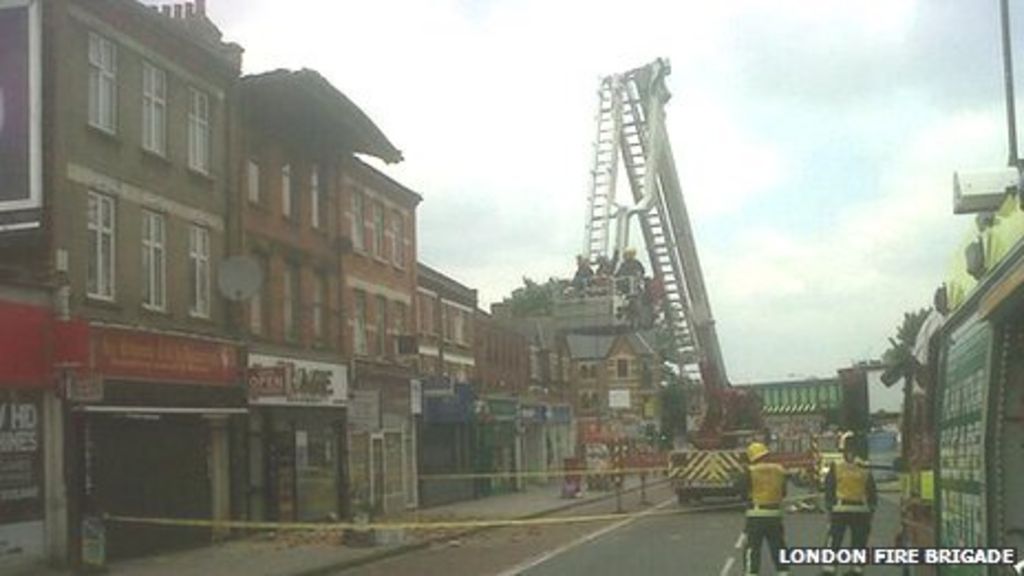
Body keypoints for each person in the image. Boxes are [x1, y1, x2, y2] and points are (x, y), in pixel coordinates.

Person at [821, 432, 877, 576]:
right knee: (858, 542)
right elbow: (871, 491)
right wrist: (871, 510)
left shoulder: (837, 465)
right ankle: (856, 570)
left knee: (834, 540)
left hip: (840, 509)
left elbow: (829, 487)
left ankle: (829, 569)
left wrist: (829, 506)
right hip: (860, 510)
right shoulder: (864, 466)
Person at [737, 442, 791, 576]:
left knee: (752, 548)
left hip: (756, 516)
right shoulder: (779, 470)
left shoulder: (750, 471)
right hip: (775, 515)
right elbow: (783, 492)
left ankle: (751, 573)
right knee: (778, 546)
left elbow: (741, 490)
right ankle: (783, 572)